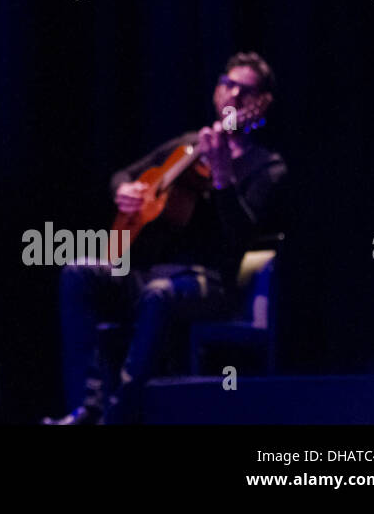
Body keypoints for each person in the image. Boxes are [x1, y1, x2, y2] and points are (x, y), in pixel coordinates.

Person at [44, 52, 288, 424]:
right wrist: (123, 191)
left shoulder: (268, 168)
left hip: (216, 283)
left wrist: (223, 178)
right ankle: (85, 408)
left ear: (261, 104)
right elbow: (125, 175)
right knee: (78, 272)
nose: (234, 95)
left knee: (159, 292)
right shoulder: (190, 145)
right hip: (153, 273)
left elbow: (244, 242)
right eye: (228, 84)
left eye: (246, 90)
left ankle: (120, 413)